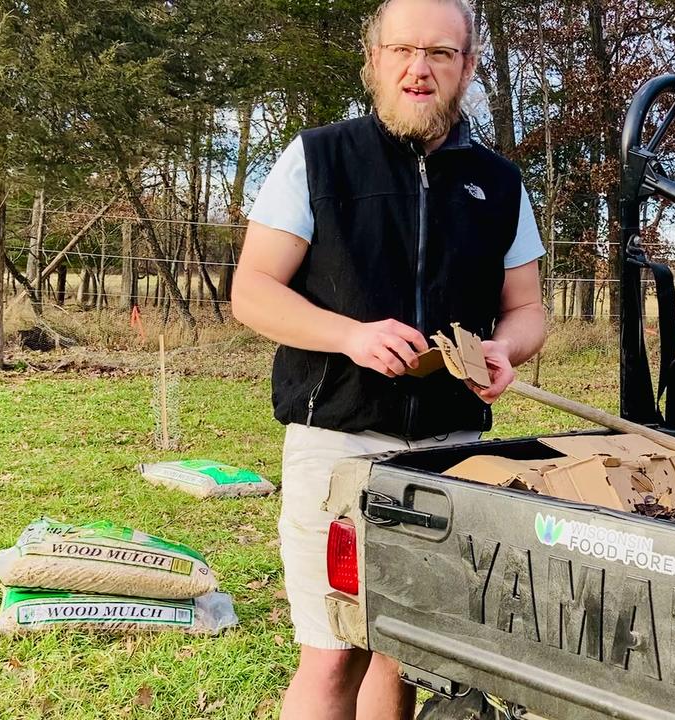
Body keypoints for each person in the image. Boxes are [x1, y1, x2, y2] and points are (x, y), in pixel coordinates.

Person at [231, 0, 546, 716]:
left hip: (451, 449)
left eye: (440, 52)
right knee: (335, 653)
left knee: (405, 651)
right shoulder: (319, 157)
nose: (419, 68)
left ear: (466, 67)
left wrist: (504, 348)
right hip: (338, 443)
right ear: (373, 60)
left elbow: (528, 309)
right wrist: (350, 335)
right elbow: (250, 290)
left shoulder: (499, 183)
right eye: (402, 50)